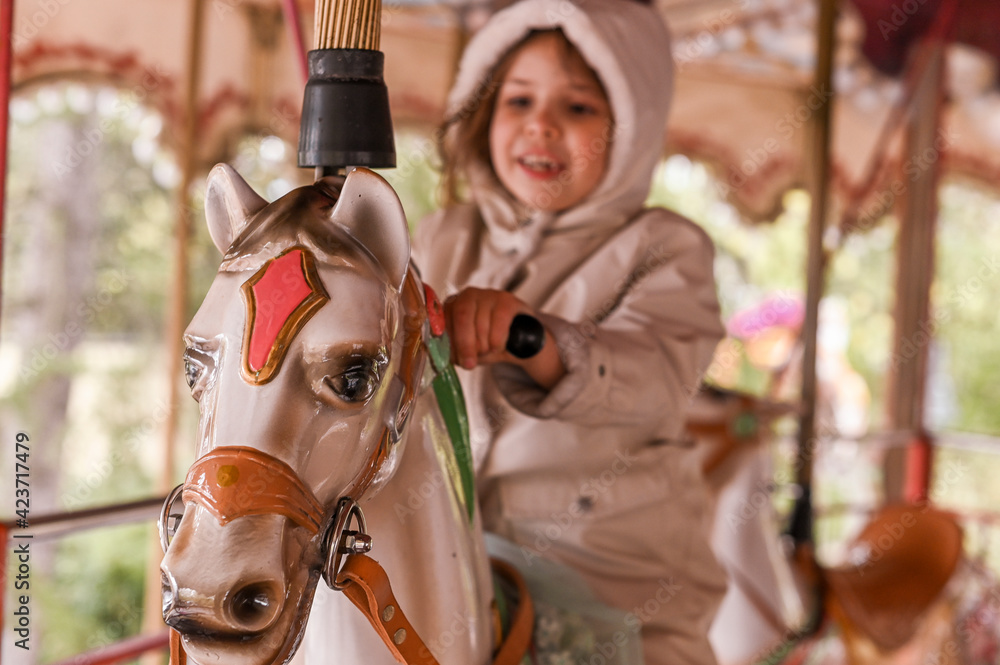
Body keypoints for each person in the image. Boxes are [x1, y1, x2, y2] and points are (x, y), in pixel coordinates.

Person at [411, 0, 727, 662]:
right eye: (518, 100)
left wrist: (534, 339)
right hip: (451, 562)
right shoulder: (440, 239)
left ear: (632, 127)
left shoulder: (663, 248)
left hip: (610, 582)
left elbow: (654, 376)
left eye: (578, 108)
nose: (541, 126)